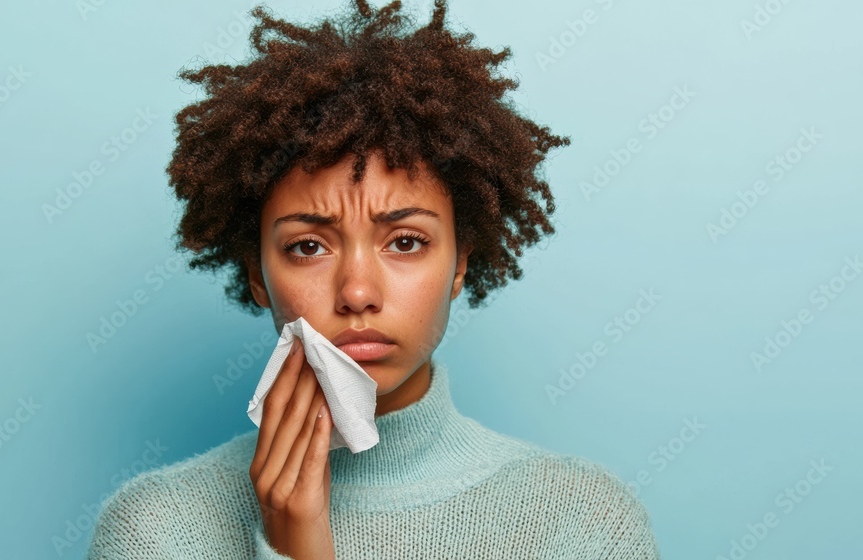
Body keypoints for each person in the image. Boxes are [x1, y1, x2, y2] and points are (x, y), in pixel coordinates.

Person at [86, 0, 661, 558]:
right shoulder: (154, 533)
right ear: (257, 275)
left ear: (460, 261)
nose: (357, 293)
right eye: (308, 246)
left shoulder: (583, 523)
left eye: (405, 242)